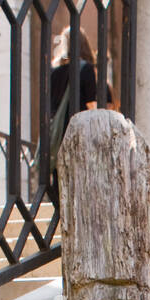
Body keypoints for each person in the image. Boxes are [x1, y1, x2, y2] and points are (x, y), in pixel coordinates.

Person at [48, 29, 113, 203]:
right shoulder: (85, 69)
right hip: (78, 133)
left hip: (56, 135)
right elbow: (92, 105)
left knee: (58, 183)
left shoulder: (53, 71)